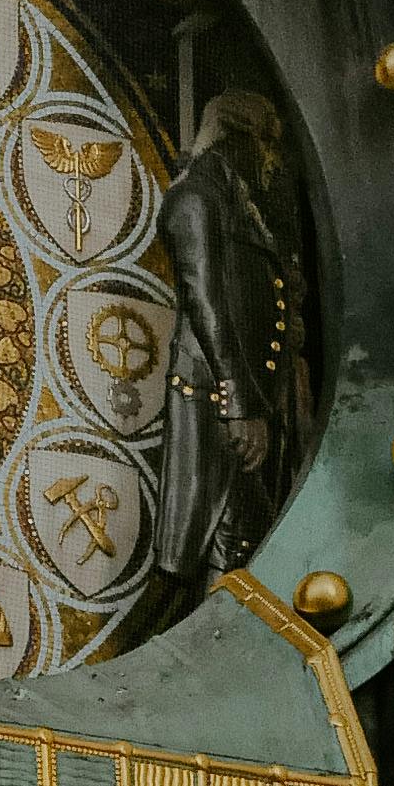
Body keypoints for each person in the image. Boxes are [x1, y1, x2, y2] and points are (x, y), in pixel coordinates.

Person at [151, 89, 301, 590]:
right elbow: (205, 300)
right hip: (217, 405)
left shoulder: (234, 203)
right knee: (225, 540)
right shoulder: (197, 198)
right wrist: (239, 406)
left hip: (248, 404)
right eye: (265, 144)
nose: (271, 161)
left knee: (247, 543)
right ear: (238, 139)